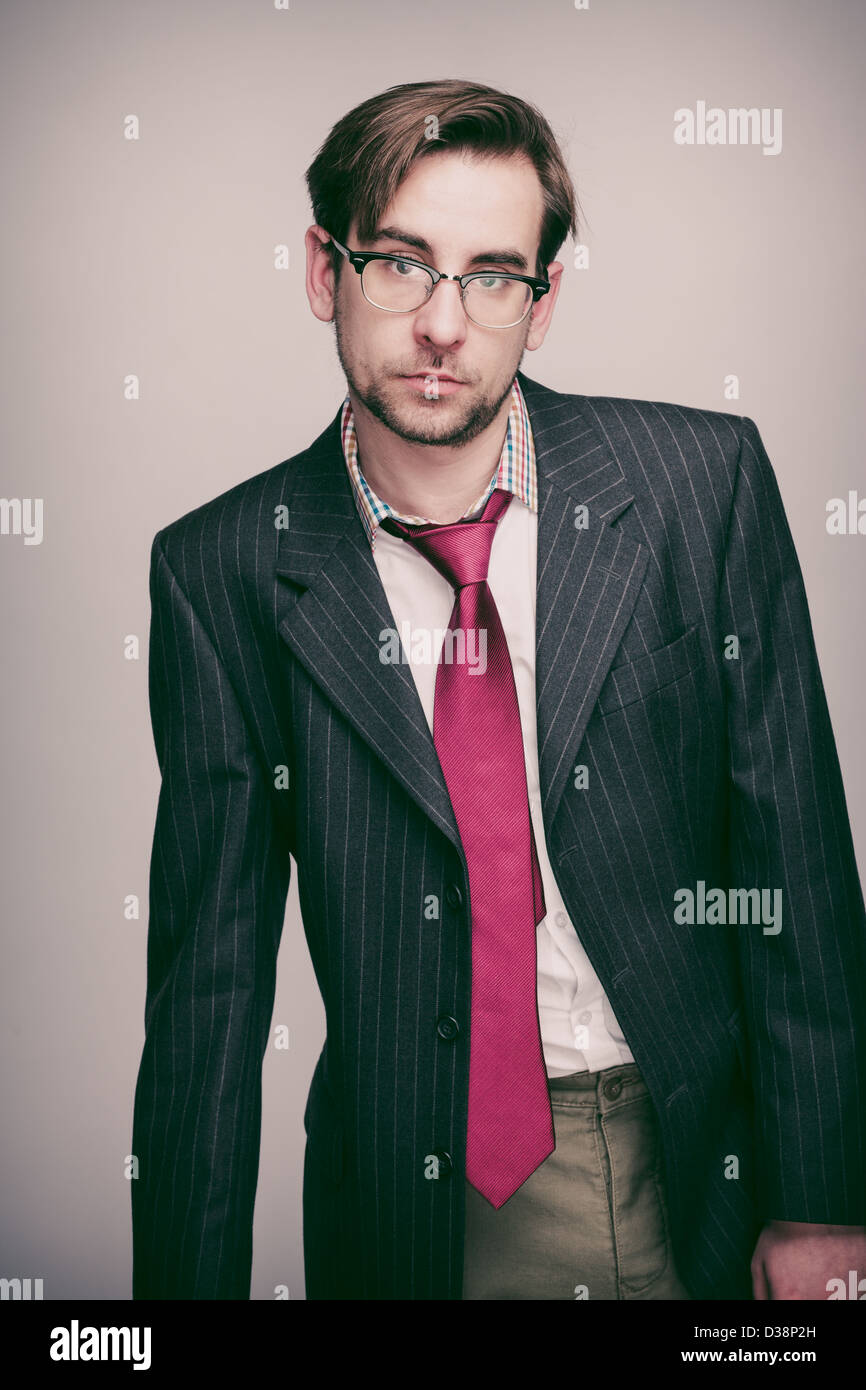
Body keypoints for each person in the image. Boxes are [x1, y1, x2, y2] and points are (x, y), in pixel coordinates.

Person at [131, 78, 866, 1301]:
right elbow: (208, 988)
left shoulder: (699, 486)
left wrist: (827, 1200)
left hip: (696, 1170)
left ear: (543, 299)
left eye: (491, 275)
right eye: (400, 265)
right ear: (324, 271)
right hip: (405, 1204)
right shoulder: (222, 572)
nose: (441, 323)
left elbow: (789, 864)